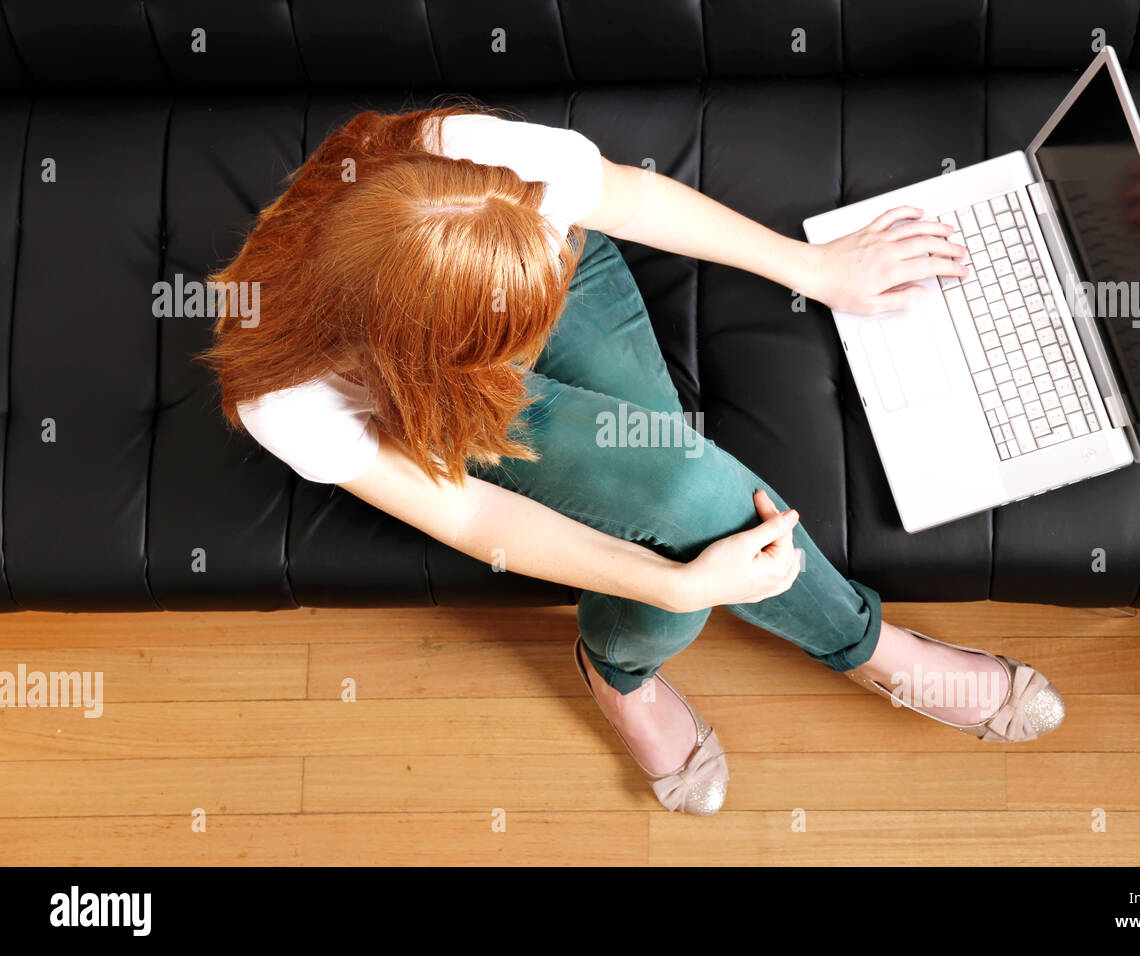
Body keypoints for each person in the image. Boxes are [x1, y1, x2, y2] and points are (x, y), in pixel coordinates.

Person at [197, 100, 1065, 818]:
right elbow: (469, 513)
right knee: (688, 504)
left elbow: (632, 201)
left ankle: (647, 665)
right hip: (435, 390)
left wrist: (814, 269)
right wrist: (675, 589)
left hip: (508, 287)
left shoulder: (470, 158)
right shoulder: (289, 398)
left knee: (684, 497)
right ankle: (814, 653)